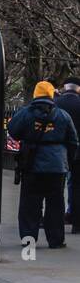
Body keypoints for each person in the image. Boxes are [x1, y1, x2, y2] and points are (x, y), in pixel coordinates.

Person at [9, 81, 78, 249]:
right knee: (55, 203)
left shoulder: (25, 113)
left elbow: (13, 131)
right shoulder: (62, 115)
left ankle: (29, 239)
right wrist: (66, 160)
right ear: (51, 95)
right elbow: (73, 141)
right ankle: (55, 240)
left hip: (32, 164)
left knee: (30, 203)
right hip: (57, 166)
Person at [54, 79, 80, 233]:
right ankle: (76, 221)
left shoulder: (56, 102)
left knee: (56, 188)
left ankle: (55, 221)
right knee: (76, 186)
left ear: (65, 87)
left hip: (57, 151)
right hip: (77, 153)